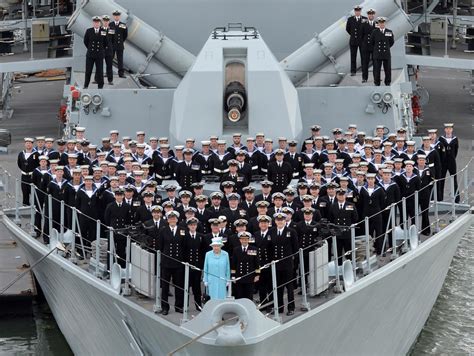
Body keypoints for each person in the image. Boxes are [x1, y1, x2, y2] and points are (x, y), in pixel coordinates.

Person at [269, 212, 298, 315]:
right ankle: (280, 307)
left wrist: (295, 263)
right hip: (276, 264)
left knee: (289, 287)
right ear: (275, 221)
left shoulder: (291, 231)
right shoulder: (271, 232)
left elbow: (295, 248)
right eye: (278, 220)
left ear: (285, 221)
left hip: (287, 264)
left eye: (281, 220)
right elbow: (268, 247)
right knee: (278, 287)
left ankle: (291, 308)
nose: (280, 222)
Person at [158, 210, 186, 315]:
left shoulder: (182, 230)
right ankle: (165, 307)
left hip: (178, 263)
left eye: (174, 218)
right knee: (165, 287)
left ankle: (179, 306)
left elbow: (184, 246)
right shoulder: (163, 230)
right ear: (168, 220)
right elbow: (160, 246)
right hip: (166, 263)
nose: (172, 220)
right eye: (170, 218)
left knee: (179, 286)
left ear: (177, 219)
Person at [329, 189, 358, 265]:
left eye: (342, 195)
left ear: (345, 195)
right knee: (338, 253)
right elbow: (331, 218)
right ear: (336, 195)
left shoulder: (350, 205)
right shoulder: (333, 206)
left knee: (349, 252)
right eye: (339, 195)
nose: (341, 196)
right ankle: (339, 268)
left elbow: (355, 218)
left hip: (347, 232)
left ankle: (351, 267)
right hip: (338, 233)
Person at [184, 217, 205, 310]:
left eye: (194, 225)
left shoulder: (201, 236)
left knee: (197, 287)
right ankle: (185, 305)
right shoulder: (185, 236)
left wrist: (201, 264)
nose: (193, 226)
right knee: (186, 287)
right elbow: (182, 250)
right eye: (191, 225)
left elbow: (202, 251)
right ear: (188, 226)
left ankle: (198, 305)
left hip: (197, 266)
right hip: (187, 265)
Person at [231, 231, 259, 301]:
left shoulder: (253, 249)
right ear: (240, 240)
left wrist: (257, 275)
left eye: (246, 239)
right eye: (242, 239)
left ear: (248, 240)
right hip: (239, 276)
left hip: (249, 276)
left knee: (249, 296)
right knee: (239, 295)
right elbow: (233, 264)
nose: (244, 241)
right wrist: (233, 275)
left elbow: (257, 263)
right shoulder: (236, 250)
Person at [83, 16, 107, 89]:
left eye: (98, 22)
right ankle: (86, 85)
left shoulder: (103, 31)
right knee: (88, 71)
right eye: (95, 22)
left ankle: (100, 86)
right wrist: (90, 48)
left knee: (100, 71)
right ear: (93, 23)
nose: (96, 24)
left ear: (100, 23)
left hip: (99, 54)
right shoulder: (89, 31)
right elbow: (85, 41)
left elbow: (106, 42)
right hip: (90, 54)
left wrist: (100, 49)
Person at [438, 123, 459, 202]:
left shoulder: (455, 139)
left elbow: (456, 150)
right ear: (445, 130)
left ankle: (456, 198)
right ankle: (440, 198)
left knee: (454, 179)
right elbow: (439, 151)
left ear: (452, 129)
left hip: (452, 162)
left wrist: (452, 158)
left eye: (450, 128)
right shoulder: (441, 139)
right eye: (447, 128)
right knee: (441, 179)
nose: (448, 130)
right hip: (443, 162)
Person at [371, 17, 394, 86]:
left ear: (385, 23)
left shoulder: (389, 32)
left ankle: (387, 82)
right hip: (377, 54)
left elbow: (391, 42)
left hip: (386, 53)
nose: (382, 24)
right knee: (376, 69)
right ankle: (377, 82)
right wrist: (376, 49)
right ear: (378, 24)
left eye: (383, 23)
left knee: (387, 69)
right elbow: (372, 42)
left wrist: (386, 47)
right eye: (380, 23)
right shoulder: (374, 32)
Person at [18, 137, 39, 205]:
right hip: (24, 176)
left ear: (32, 144)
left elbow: (38, 164)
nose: (28, 145)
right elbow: (19, 164)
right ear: (25, 144)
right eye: (27, 143)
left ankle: (36, 207)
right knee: (25, 191)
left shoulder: (36, 154)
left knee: (33, 192)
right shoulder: (21, 154)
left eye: (30, 143)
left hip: (32, 176)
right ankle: (25, 205)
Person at [346, 5, 366, 76]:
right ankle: (353, 71)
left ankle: (364, 71)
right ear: (354, 11)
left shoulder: (364, 19)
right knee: (353, 57)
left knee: (363, 57)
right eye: (356, 11)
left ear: (360, 11)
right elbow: (347, 29)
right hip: (353, 41)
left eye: (359, 11)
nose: (357, 12)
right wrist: (353, 35)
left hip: (362, 41)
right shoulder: (350, 19)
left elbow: (366, 30)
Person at [360, 8, 377, 83]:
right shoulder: (363, 24)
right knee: (365, 63)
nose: (371, 15)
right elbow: (361, 35)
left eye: (372, 14)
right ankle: (364, 78)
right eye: (370, 14)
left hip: (374, 47)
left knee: (376, 63)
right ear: (368, 15)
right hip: (365, 46)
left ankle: (376, 78)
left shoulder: (377, 24)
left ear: (374, 15)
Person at [110, 10, 128, 78]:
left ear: (119, 17)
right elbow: (109, 35)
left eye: (117, 16)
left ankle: (121, 73)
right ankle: (108, 72)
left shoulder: (123, 25)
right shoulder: (110, 24)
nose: (116, 17)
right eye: (115, 16)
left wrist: (121, 41)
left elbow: (125, 35)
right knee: (110, 59)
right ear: (113, 16)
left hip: (119, 45)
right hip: (112, 45)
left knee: (120, 60)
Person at [99, 15, 114, 85]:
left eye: (107, 21)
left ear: (109, 22)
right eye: (104, 21)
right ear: (102, 22)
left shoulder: (111, 30)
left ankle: (110, 80)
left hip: (109, 51)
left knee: (109, 66)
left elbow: (114, 40)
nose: (106, 22)